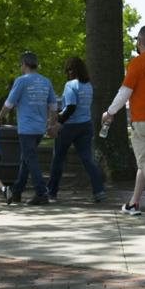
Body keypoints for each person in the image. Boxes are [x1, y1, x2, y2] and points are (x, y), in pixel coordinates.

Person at [101, 26, 145, 216]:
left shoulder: (137, 63)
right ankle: (133, 203)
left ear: (139, 42)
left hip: (142, 120)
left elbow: (125, 92)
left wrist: (110, 112)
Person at [0, 52, 57, 206]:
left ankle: (41, 192)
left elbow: (9, 104)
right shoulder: (46, 82)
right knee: (26, 159)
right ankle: (17, 192)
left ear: (24, 64)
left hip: (26, 128)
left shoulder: (21, 81)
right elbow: (54, 107)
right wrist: (51, 124)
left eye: (20, 65)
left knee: (30, 159)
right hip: (39, 128)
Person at [47, 57, 105, 203]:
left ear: (70, 70)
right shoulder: (88, 86)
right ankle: (99, 191)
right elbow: (77, 107)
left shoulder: (70, 85)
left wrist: (58, 123)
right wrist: (62, 111)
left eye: (67, 69)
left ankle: (51, 192)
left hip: (69, 127)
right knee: (87, 159)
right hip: (86, 125)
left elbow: (71, 107)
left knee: (58, 159)